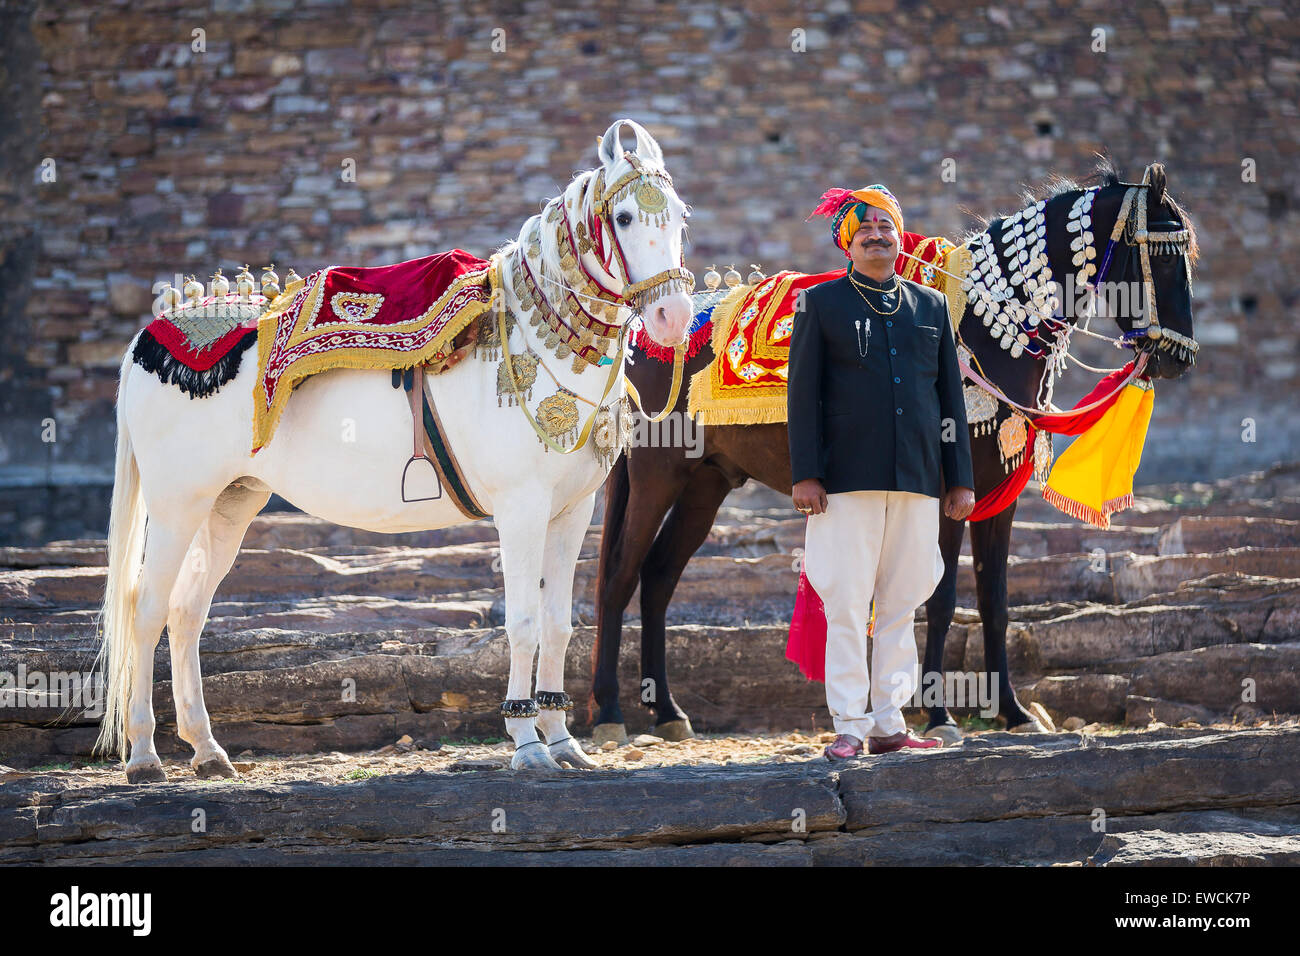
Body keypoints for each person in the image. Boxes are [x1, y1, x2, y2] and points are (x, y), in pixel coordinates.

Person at [789, 184, 975, 759]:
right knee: (846, 601)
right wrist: (806, 474)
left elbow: (951, 397)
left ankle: (891, 724)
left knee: (901, 602)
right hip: (844, 480)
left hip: (918, 478)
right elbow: (803, 397)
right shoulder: (822, 304)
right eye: (864, 228)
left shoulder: (930, 306)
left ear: (899, 237)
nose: (876, 234)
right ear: (847, 243)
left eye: (885, 226)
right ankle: (849, 723)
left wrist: (960, 476)